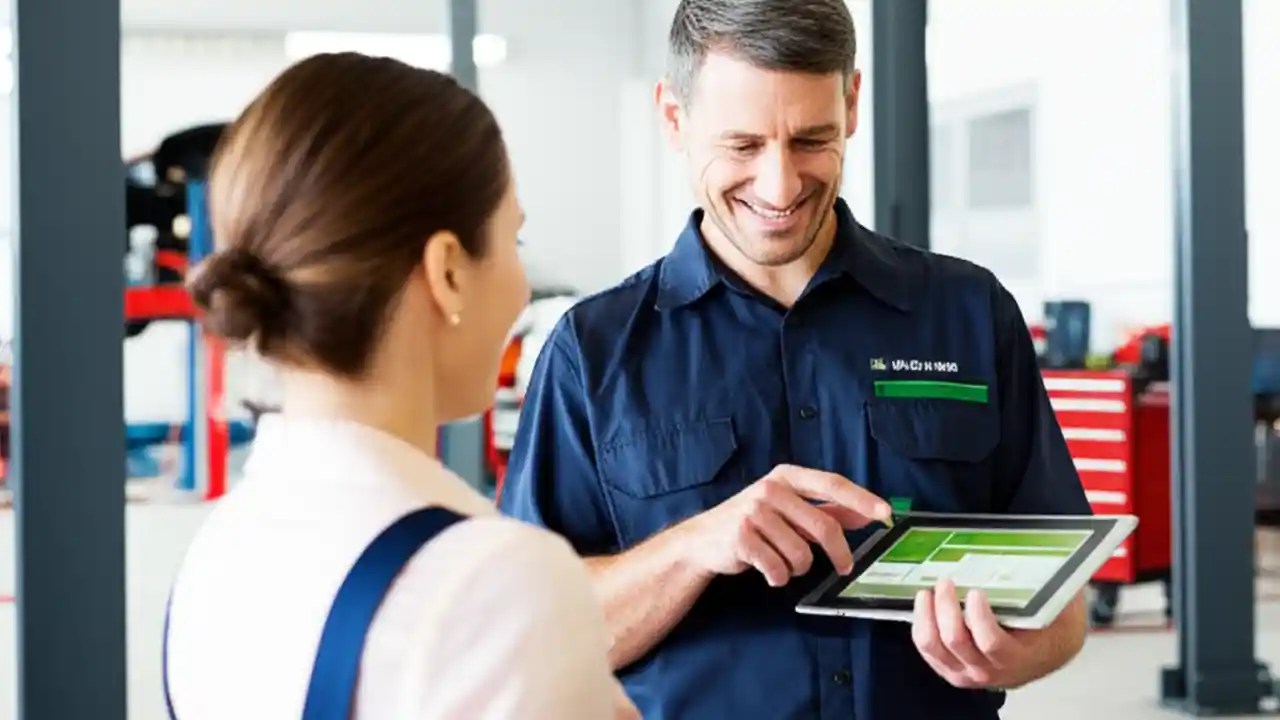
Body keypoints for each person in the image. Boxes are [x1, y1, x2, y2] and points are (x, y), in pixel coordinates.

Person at [497, 1, 1093, 718]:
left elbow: (1062, 608)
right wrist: (693, 548)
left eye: (811, 140)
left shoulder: (969, 313)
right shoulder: (592, 353)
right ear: (673, 116)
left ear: (852, 102)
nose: (779, 187)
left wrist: (1022, 653)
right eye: (742, 146)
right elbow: (531, 636)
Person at [162, 52, 637, 720]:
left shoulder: (219, 552)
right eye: (512, 242)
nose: (521, 285)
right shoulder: (493, 581)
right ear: (447, 271)